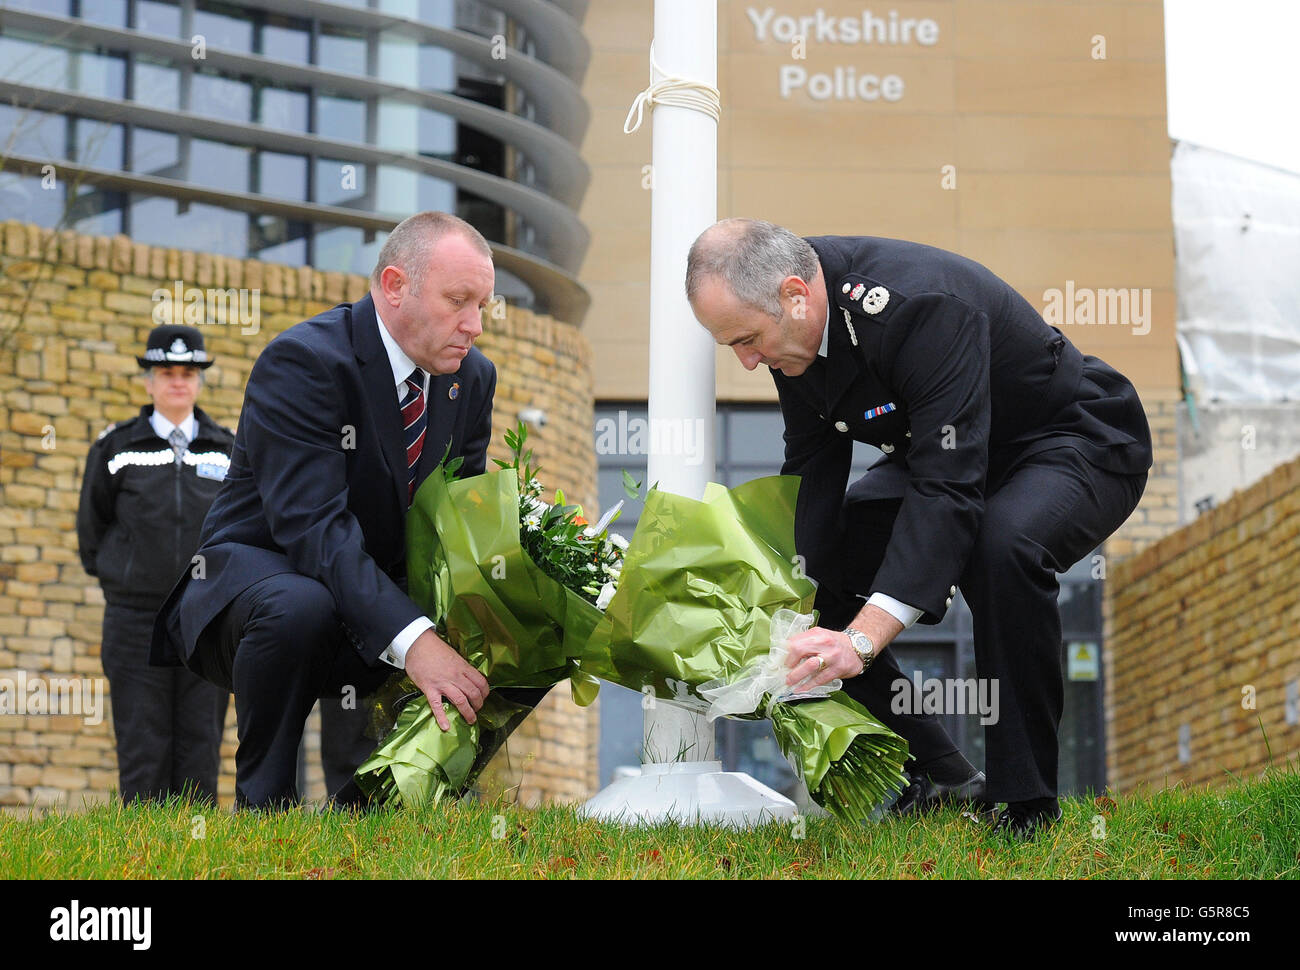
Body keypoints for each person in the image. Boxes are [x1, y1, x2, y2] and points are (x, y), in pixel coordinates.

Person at [686, 219, 1152, 839]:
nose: (747, 362)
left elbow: (948, 486)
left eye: (747, 340)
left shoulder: (916, 306)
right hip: (949, 455)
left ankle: (1026, 806)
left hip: (1068, 437)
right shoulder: (790, 327)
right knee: (823, 567)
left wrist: (860, 641)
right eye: (732, 348)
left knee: (1001, 548)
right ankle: (942, 776)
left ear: (796, 295)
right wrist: (787, 594)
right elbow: (810, 471)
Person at [150, 211, 522, 809]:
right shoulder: (304, 361)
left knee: (512, 615)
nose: (475, 325)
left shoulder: (471, 380)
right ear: (395, 285)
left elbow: (458, 522)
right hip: (261, 592)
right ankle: (265, 809)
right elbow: (313, 528)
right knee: (305, 602)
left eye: (483, 305)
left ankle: (383, 810)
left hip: (370, 597)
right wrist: (416, 639)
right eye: (459, 301)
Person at [77, 324, 234, 805]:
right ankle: (141, 860)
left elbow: (244, 527)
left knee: (199, 747)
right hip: (135, 624)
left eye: (189, 372)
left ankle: (195, 858)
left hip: (203, 619)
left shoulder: (227, 449)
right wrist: (125, 578)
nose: (178, 382)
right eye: (166, 372)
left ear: (200, 380)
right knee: (143, 747)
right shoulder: (115, 449)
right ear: (148, 380)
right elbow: (92, 531)